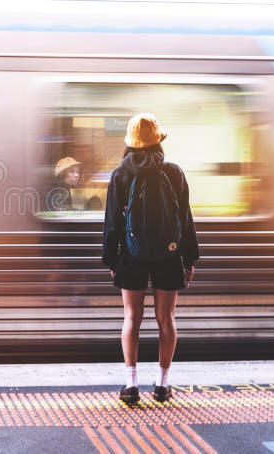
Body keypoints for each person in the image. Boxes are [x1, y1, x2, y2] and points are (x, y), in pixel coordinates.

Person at [101, 113, 199, 405]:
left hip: (131, 256)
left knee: (132, 318)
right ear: (158, 142)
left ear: (130, 144)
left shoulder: (120, 175)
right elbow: (185, 219)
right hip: (169, 256)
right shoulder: (174, 173)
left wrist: (112, 260)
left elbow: (112, 223)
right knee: (165, 319)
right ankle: (162, 385)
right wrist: (189, 258)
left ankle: (131, 385)